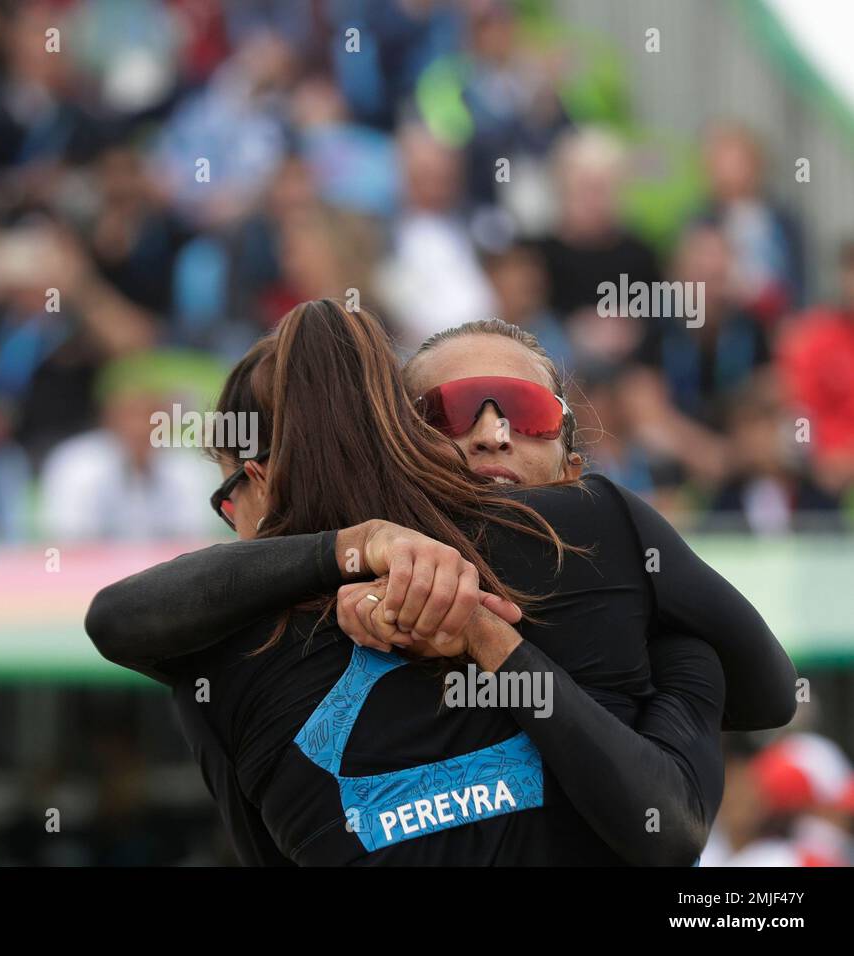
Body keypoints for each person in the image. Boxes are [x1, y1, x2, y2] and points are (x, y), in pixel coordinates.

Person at [86, 300, 796, 865]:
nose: (492, 434)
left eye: (527, 411)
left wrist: (477, 630)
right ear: (401, 442)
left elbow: (742, 723)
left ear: (574, 463)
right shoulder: (257, 632)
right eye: (451, 410)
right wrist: (358, 553)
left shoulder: (607, 540)